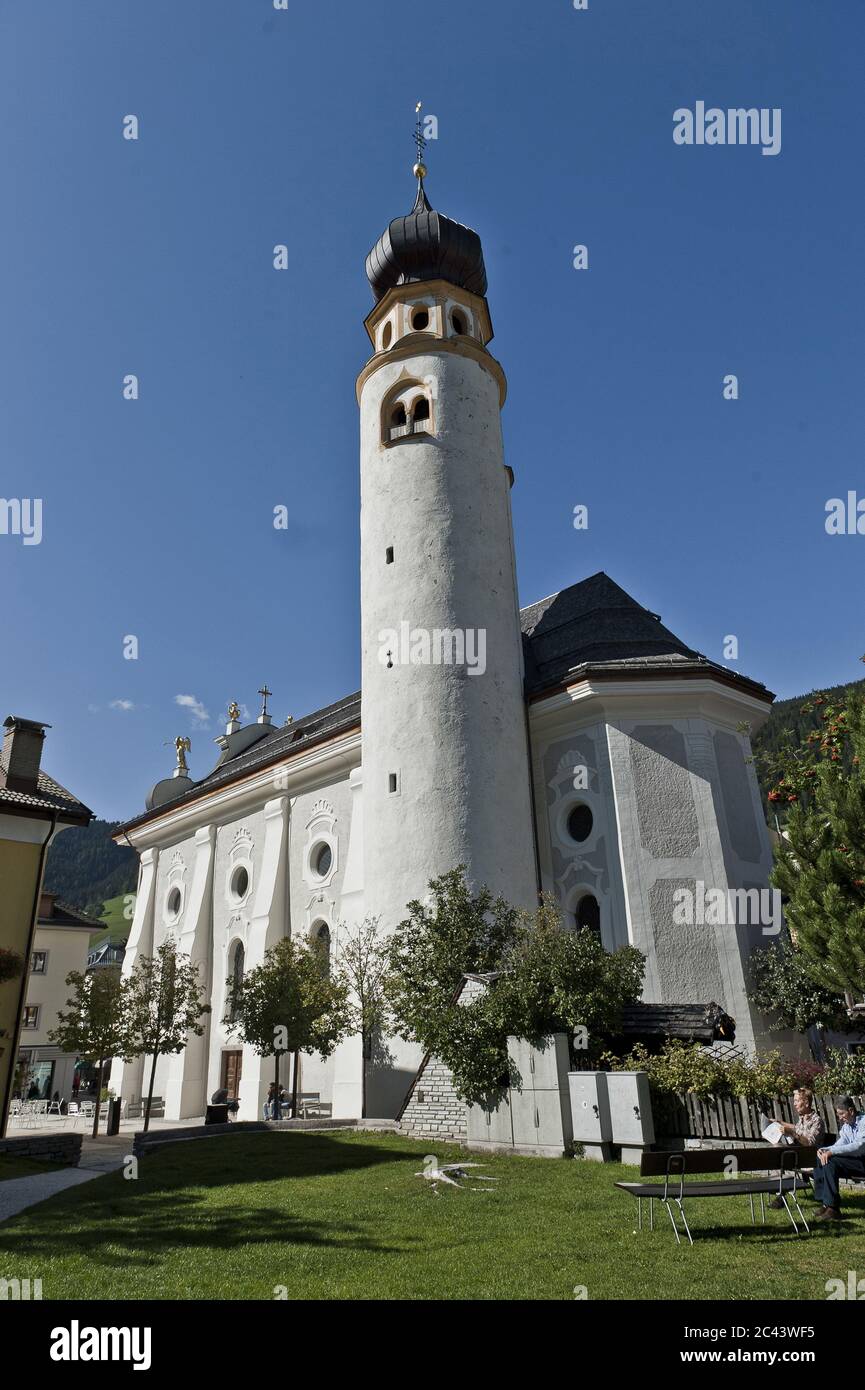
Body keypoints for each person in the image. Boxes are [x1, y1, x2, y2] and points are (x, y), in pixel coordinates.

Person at [768, 1087, 824, 1209]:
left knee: (782, 1157)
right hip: (799, 1157)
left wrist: (792, 1134)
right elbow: (796, 1128)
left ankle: (778, 1192)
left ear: (807, 1103)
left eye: (797, 1101)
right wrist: (779, 1122)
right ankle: (779, 1193)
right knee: (777, 1149)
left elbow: (810, 1143)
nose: (794, 1104)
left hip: (811, 1160)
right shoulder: (802, 1119)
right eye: (794, 1101)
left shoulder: (817, 1121)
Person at [811, 1097, 865, 1221]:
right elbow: (841, 1143)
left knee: (831, 1161)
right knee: (820, 1158)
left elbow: (859, 1147)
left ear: (851, 1111)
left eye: (842, 1114)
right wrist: (824, 1150)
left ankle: (833, 1208)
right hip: (854, 1162)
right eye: (838, 1114)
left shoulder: (863, 1122)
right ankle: (825, 1203)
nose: (840, 1117)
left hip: (862, 1161)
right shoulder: (847, 1125)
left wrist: (831, 1152)